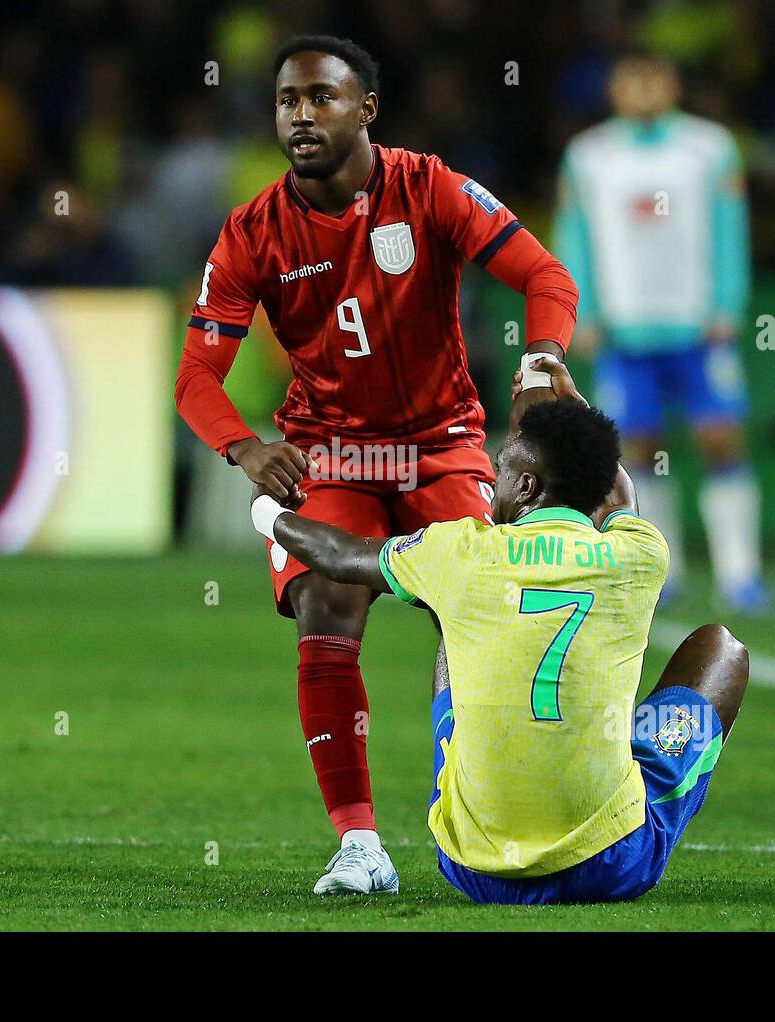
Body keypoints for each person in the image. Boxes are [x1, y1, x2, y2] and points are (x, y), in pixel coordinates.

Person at [174, 35, 578, 894]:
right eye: (288, 100)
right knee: (328, 599)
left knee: (474, 611)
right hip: (331, 455)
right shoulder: (252, 233)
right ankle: (360, 846)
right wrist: (246, 447)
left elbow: (546, 276)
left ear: (366, 109)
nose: (301, 114)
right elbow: (196, 378)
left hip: (441, 446)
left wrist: (542, 361)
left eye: (322, 97)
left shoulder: (430, 188)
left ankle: (486, 811)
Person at [249, 356, 748, 903]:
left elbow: (342, 555)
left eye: (500, 469)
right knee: (719, 648)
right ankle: (625, 789)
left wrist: (269, 513)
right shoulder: (639, 552)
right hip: (610, 866)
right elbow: (616, 494)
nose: (491, 479)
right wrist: (576, 411)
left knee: (453, 634)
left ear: (528, 484)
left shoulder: (460, 551)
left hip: (475, 869)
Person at [554, 53, 767, 613]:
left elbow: (730, 228)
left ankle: (741, 575)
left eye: (655, 78)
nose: (645, 88)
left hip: (698, 323)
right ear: (614, 88)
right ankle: (663, 571)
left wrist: (728, 302)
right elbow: (574, 234)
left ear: (673, 85)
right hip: (625, 328)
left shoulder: (710, 148)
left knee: (721, 437)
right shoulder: (589, 155)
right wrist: (583, 311)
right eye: (633, 79)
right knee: (639, 451)